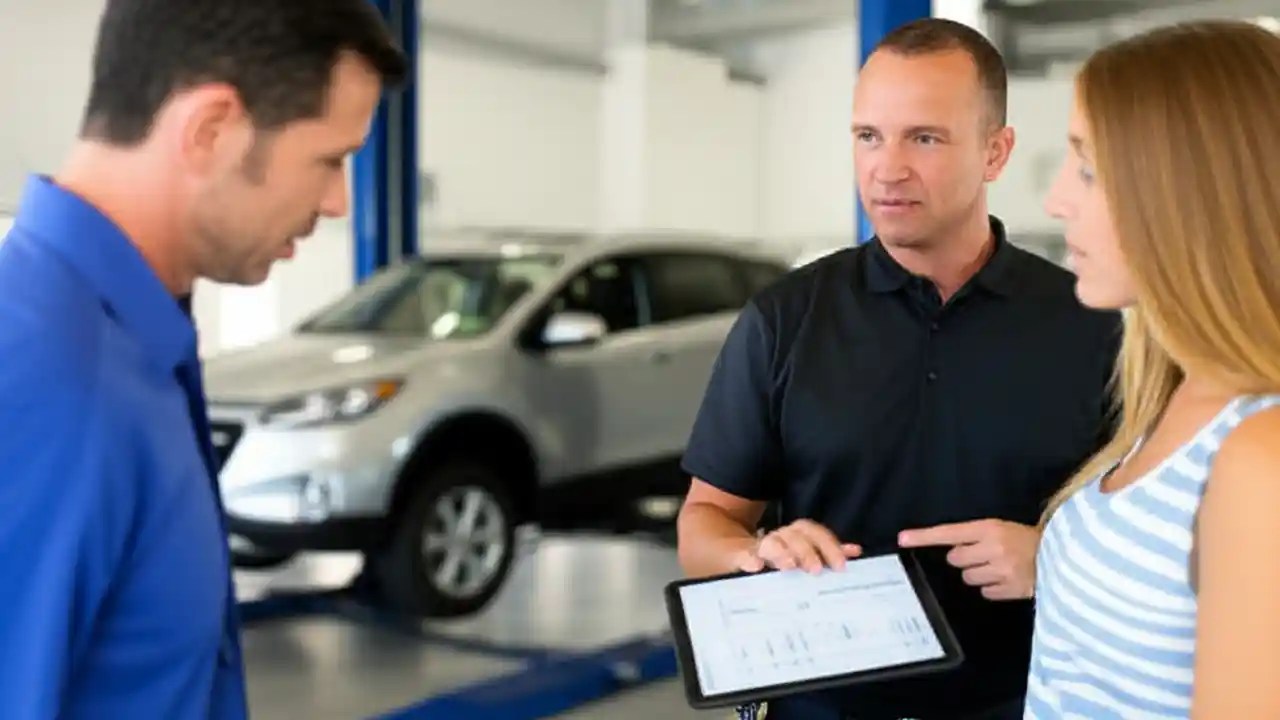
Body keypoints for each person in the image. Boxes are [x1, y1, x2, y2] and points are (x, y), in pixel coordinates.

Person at [676, 18, 1121, 720]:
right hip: (821, 707)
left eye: (925, 137)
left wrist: (1055, 555)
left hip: (1027, 700)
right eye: (868, 136)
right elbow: (704, 524)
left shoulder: (1092, 322)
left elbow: (1165, 539)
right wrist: (757, 554)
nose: (887, 168)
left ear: (996, 153)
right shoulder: (784, 319)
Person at [0, 1, 405, 717]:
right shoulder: (50, 383)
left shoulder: (127, 342)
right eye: (331, 159)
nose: (341, 201)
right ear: (211, 130)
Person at [1028, 20, 1280, 720]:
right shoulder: (1177, 386)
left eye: (1086, 168)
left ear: (1186, 194)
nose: (1056, 200)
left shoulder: (1263, 458)